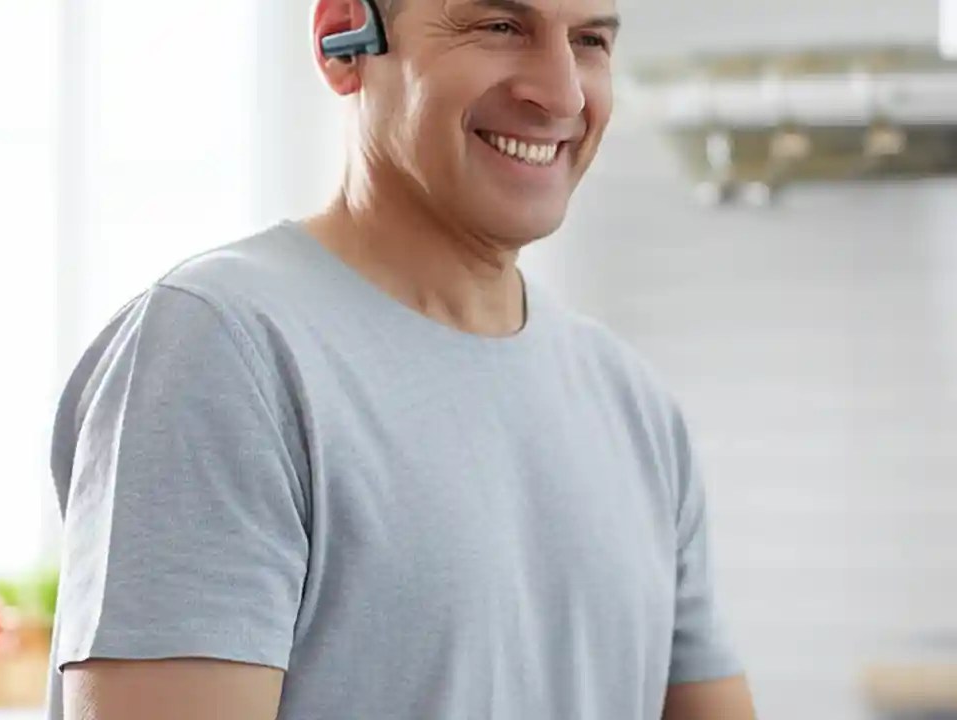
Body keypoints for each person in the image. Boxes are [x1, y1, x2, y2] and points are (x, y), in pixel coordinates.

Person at [47, 0, 757, 717]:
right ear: (342, 42)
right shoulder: (223, 350)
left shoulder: (629, 401)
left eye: (589, 41)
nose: (563, 92)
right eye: (499, 27)